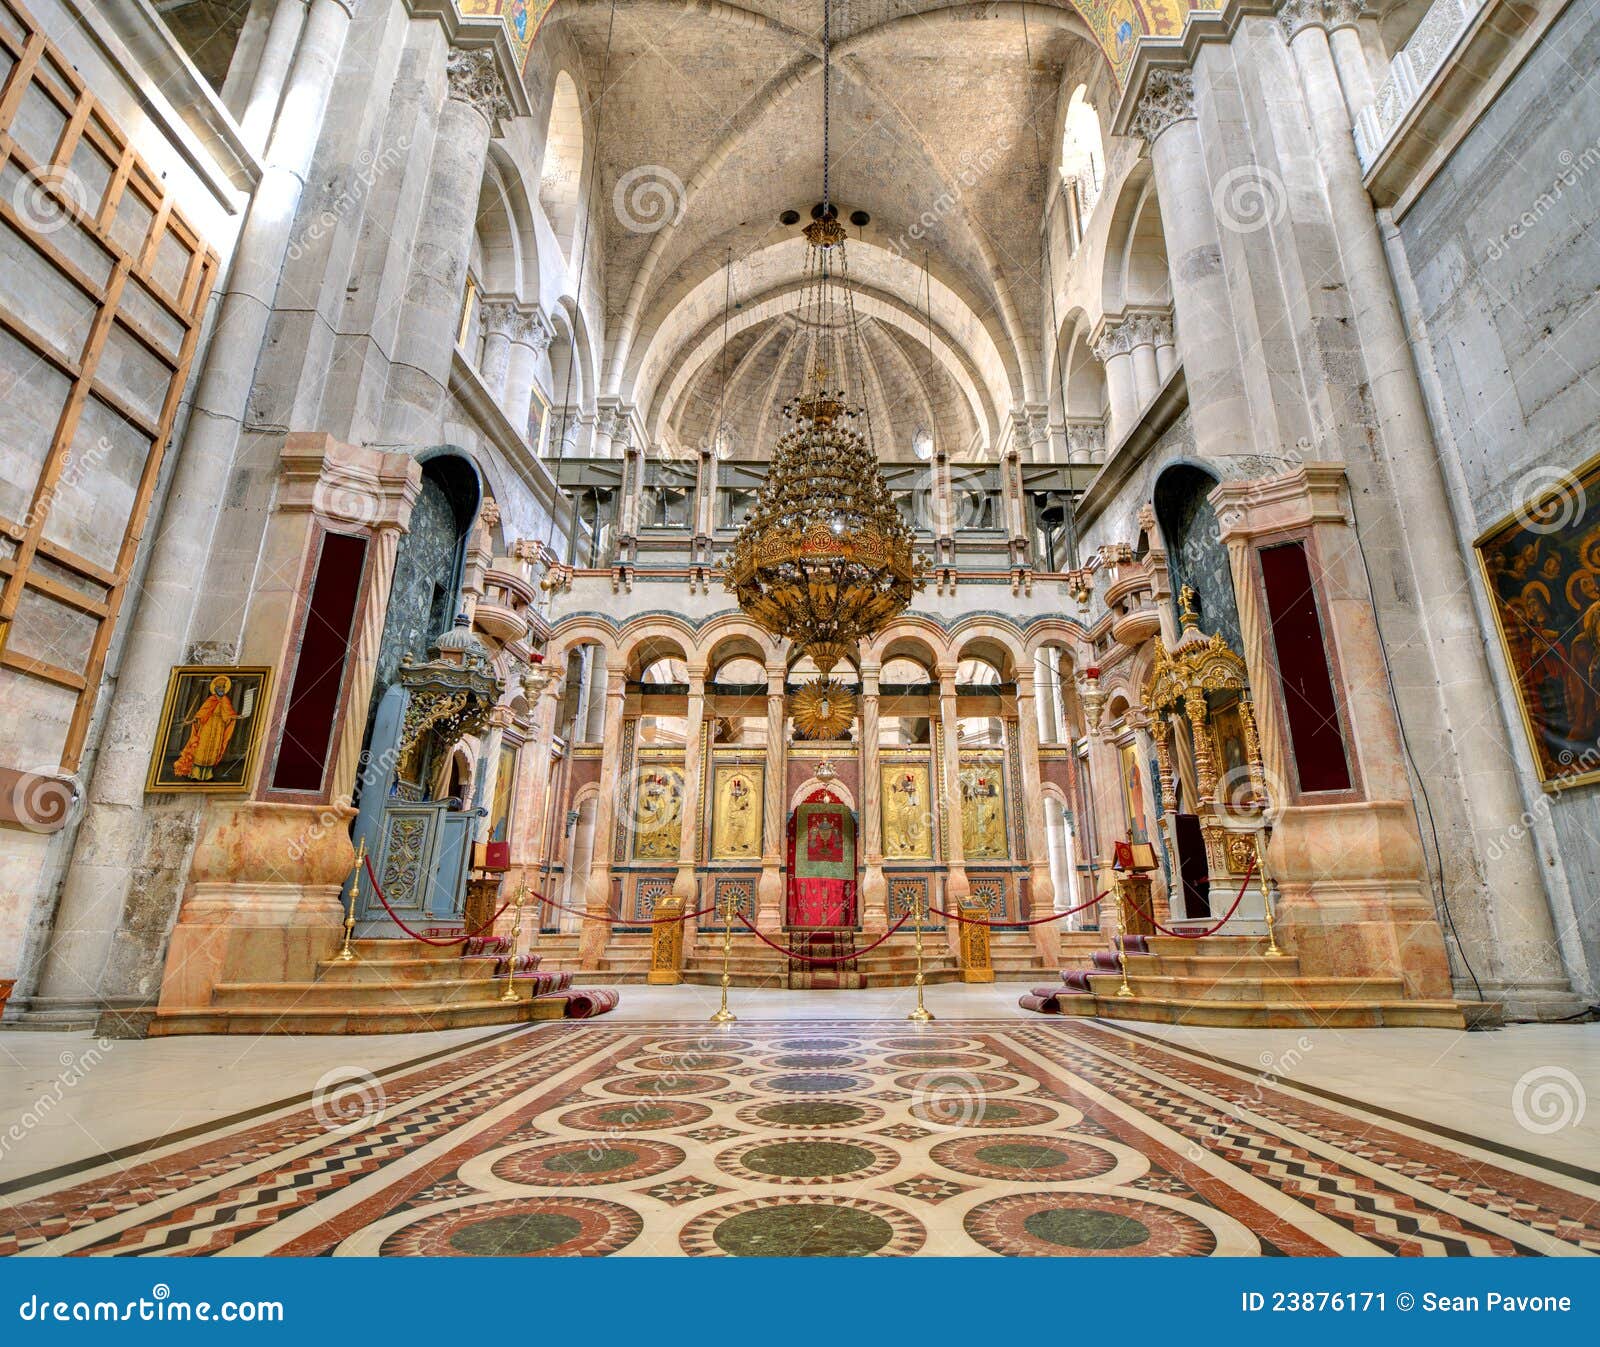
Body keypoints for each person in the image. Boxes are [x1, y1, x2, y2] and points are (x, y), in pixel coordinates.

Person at [173, 675, 241, 781]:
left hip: (219, 728)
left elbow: (228, 715)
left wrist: (235, 717)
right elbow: (201, 714)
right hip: (206, 727)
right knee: (201, 748)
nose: (221, 689)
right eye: (219, 687)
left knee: (214, 749)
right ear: (215, 688)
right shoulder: (211, 700)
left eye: (223, 687)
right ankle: (195, 774)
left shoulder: (225, 700)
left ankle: (207, 775)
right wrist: (194, 720)